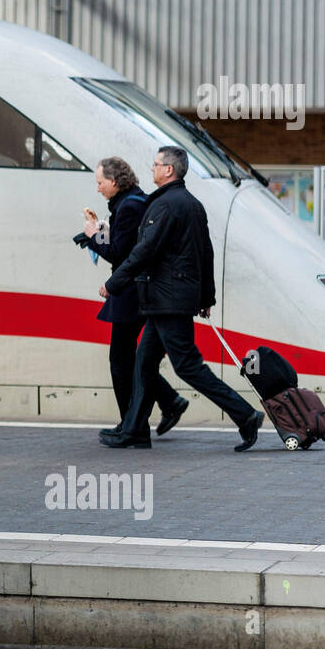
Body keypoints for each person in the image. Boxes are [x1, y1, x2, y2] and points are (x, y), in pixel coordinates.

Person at [97, 145, 264, 452]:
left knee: (187, 366)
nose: (152, 169)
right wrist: (206, 296)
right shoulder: (190, 204)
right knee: (143, 364)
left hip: (167, 300)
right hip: (169, 299)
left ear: (168, 170)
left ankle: (246, 415)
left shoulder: (166, 206)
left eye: (156, 164)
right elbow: (206, 253)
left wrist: (113, 283)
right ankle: (134, 430)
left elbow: (144, 251)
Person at [73, 157, 188, 434]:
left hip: (131, 291)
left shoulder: (129, 206)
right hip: (134, 288)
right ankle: (168, 402)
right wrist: (98, 234)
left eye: (101, 182)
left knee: (121, 360)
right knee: (136, 358)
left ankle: (131, 423)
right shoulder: (132, 202)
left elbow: (121, 252)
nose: (98, 188)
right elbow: (126, 242)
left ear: (114, 181)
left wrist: (93, 236)